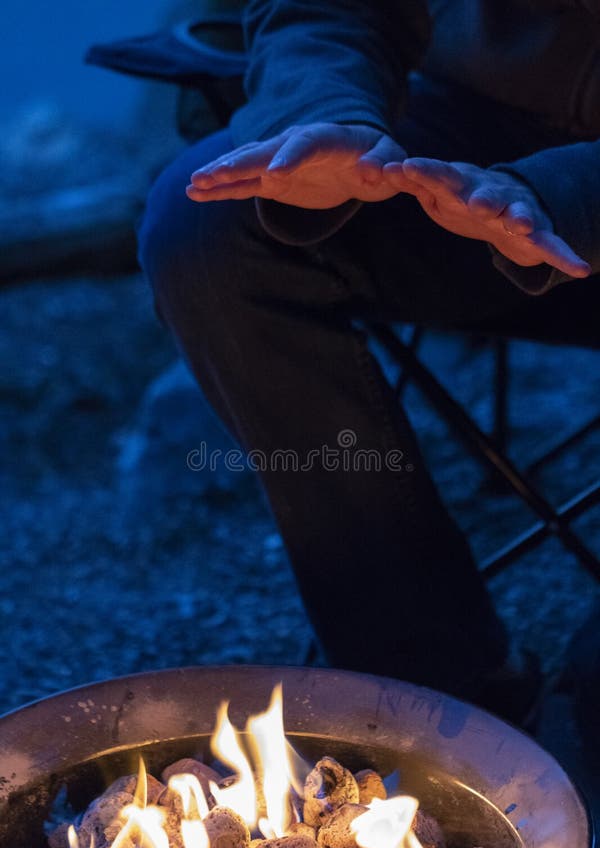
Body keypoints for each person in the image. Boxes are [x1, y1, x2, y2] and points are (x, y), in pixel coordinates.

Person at [137, 0, 598, 724]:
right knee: (207, 228)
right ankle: (429, 684)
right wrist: (331, 111)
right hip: (475, 142)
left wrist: (566, 194)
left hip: (575, 189)